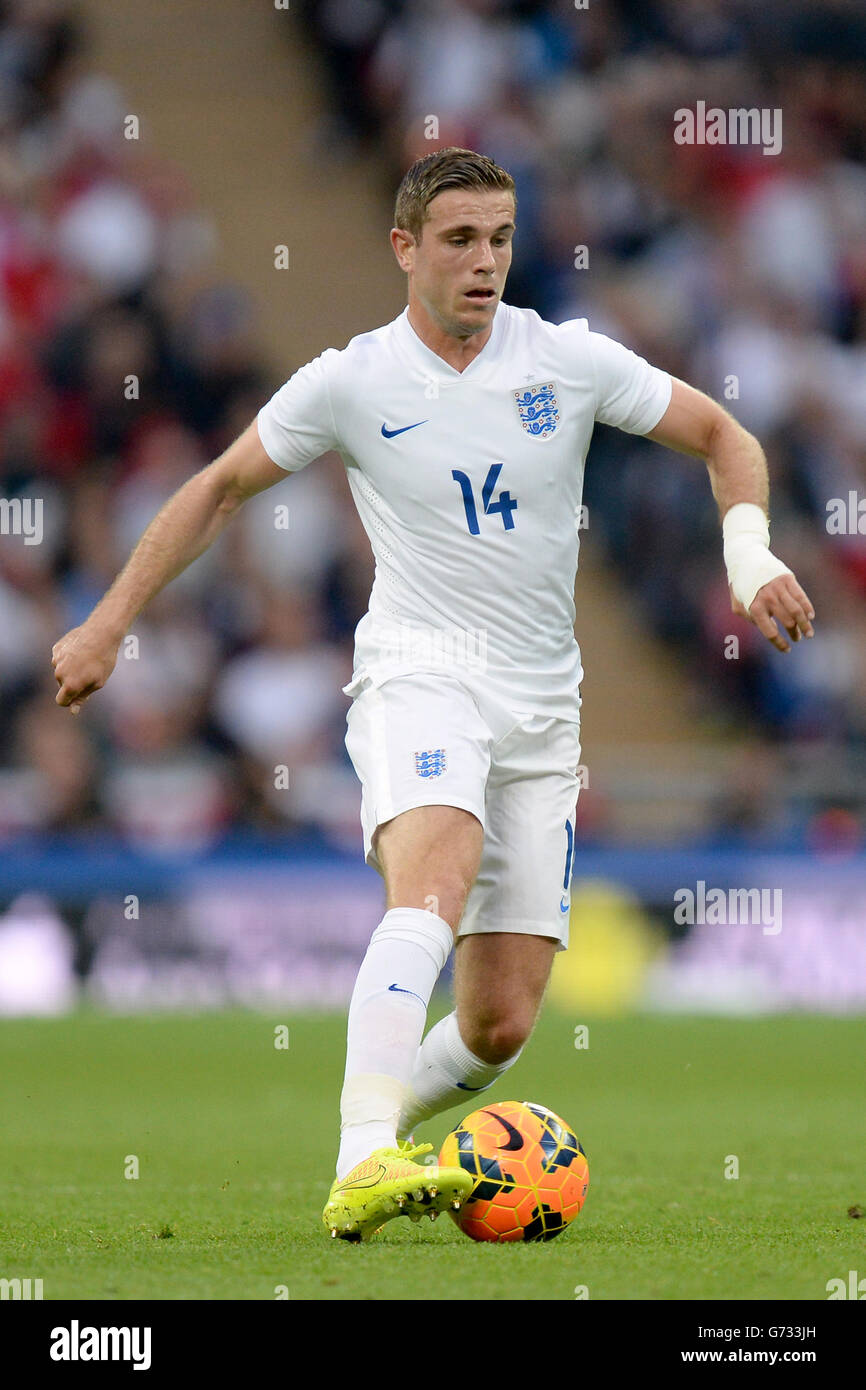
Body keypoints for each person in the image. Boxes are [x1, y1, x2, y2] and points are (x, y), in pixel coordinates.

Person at [51, 147, 816, 1242]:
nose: (484, 263)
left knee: (498, 1024)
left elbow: (721, 435)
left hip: (541, 709)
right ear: (405, 247)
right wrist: (107, 620)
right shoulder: (352, 381)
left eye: (500, 239)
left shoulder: (565, 361)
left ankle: (365, 1135)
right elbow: (218, 486)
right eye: (459, 240)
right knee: (433, 877)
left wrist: (747, 558)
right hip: (419, 676)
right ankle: (366, 1153)